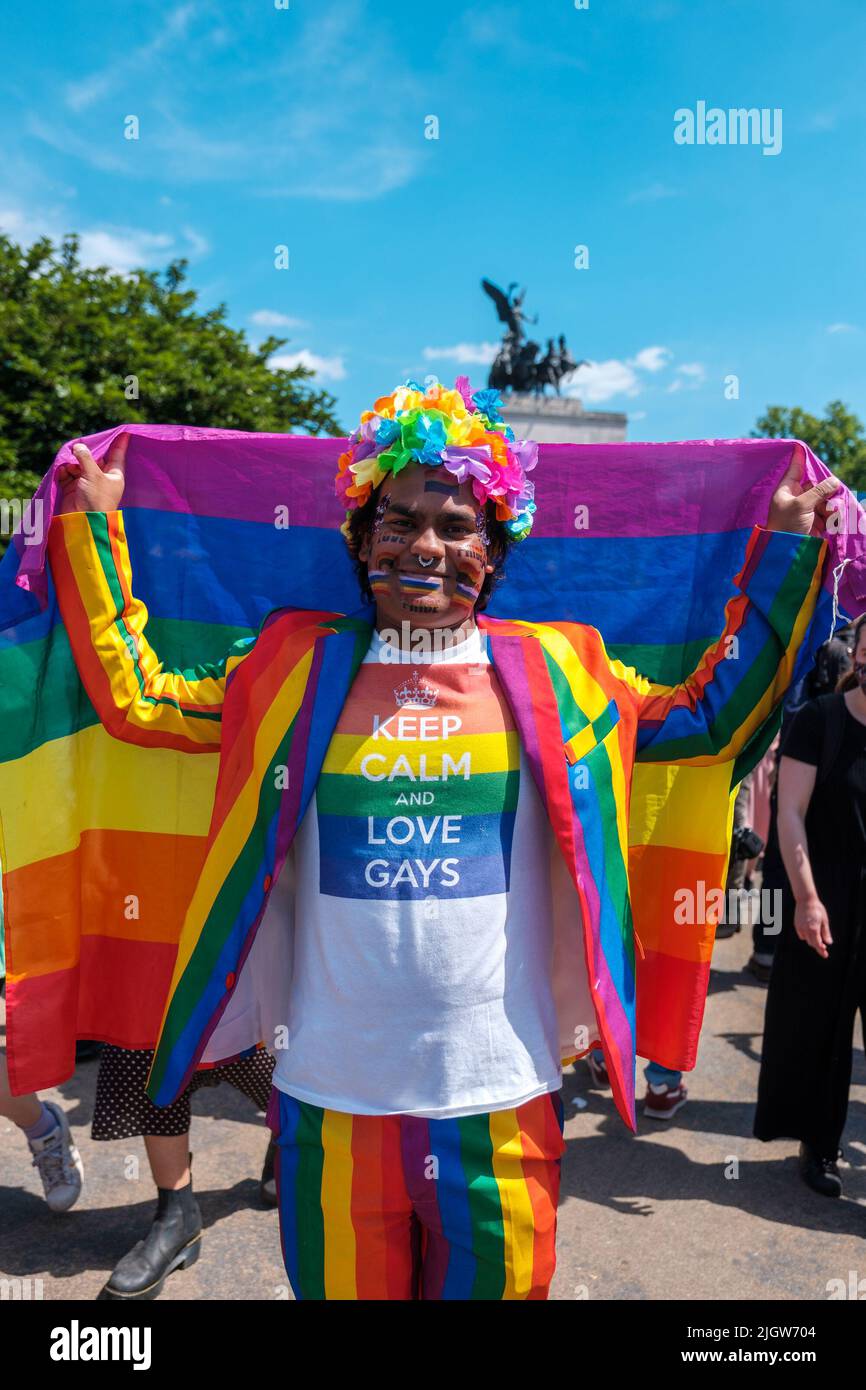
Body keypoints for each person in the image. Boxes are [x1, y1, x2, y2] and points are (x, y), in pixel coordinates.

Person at [46, 377, 836, 1299]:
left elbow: (710, 720)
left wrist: (782, 552)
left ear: (494, 552)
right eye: (399, 521)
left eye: (458, 526)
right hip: (330, 1098)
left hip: (501, 1100)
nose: (426, 546)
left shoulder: (560, 667)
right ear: (359, 537)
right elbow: (138, 697)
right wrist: (90, 531)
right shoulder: (289, 664)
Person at [754, 613, 866, 1197]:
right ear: (858, 653)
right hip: (827, 892)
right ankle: (818, 1148)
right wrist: (806, 899)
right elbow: (790, 813)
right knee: (819, 1030)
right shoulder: (817, 721)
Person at [747, 636, 853, 982]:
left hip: (796, 765)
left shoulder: (802, 647)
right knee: (793, 862)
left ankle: (767, 948)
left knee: (779, 867)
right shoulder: (834, 656)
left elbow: (788, 710)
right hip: (830, 768)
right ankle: (775, 947)